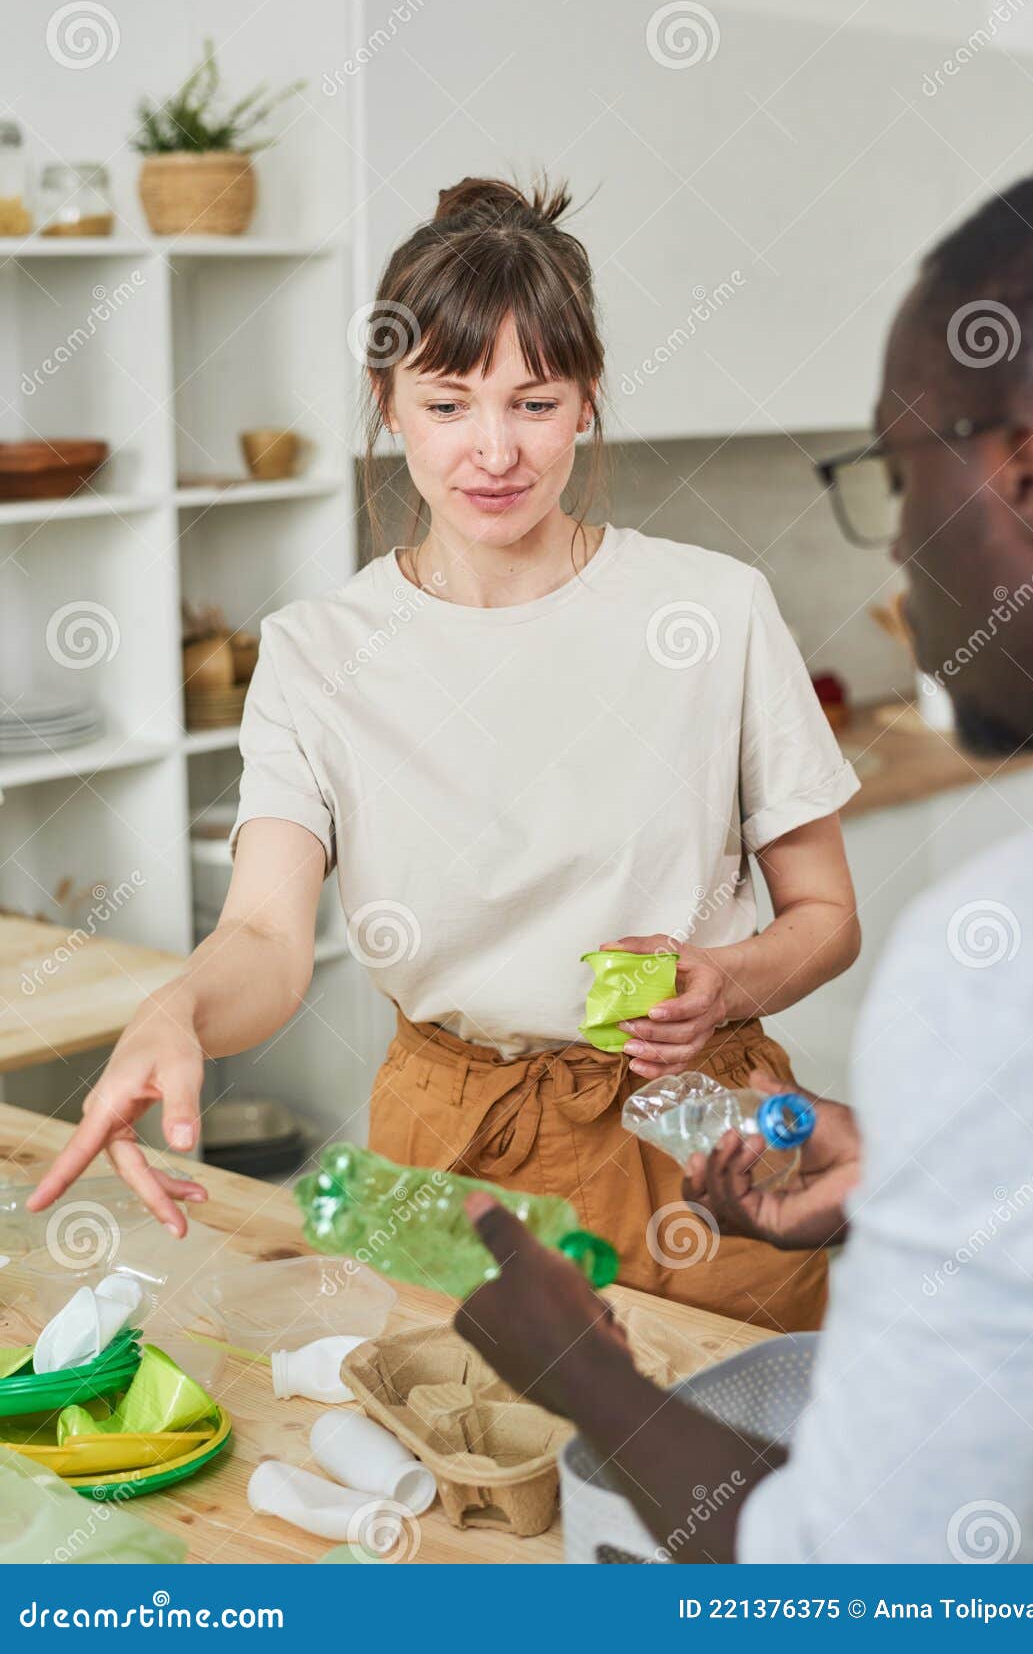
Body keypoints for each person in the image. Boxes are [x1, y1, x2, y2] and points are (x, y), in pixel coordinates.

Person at [27, 175, 860, 1332]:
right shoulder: (317, 654)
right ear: (389, 401)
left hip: (699, 1136)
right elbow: (266, 934)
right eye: (449, 401)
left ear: (587, 402)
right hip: (451, 1152)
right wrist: (174, 1014)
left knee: (731, 1480)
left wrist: (732, 982)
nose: (494, 450)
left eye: (534, 400)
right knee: (466, 1482)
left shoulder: (715, 612)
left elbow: (824, 912)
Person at [453, 158, 1033, 1563]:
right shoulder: (342, 643)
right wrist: (937, 1179)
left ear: (1028, 472)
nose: (901, 538)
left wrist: (582, 1377)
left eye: (897, 471)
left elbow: (867, 1585)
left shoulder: (1016, 959)